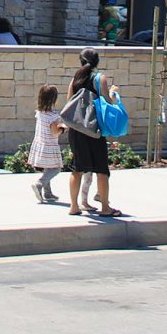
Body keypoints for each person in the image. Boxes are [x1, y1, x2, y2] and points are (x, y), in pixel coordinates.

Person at [62, 47, 121, 216]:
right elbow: (107, 102)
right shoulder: (99, 78)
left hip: (77, 130)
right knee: (102, 169)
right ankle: (105, 208)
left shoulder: (75, 79)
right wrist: (114, 94)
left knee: (77, 169)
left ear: (81, 60)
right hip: (94, 130)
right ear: (97, 61)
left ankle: (74, 206)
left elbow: (69, 103)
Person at [26, 83, 64, 202]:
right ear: (54, 99)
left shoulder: (40, 113)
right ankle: (39, 184)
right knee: (56, 169)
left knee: (48, 168)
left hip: (40, 143)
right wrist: (63, 128)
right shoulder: (54, 116)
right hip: (50, 146)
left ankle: (48, 193)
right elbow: (54, 132)